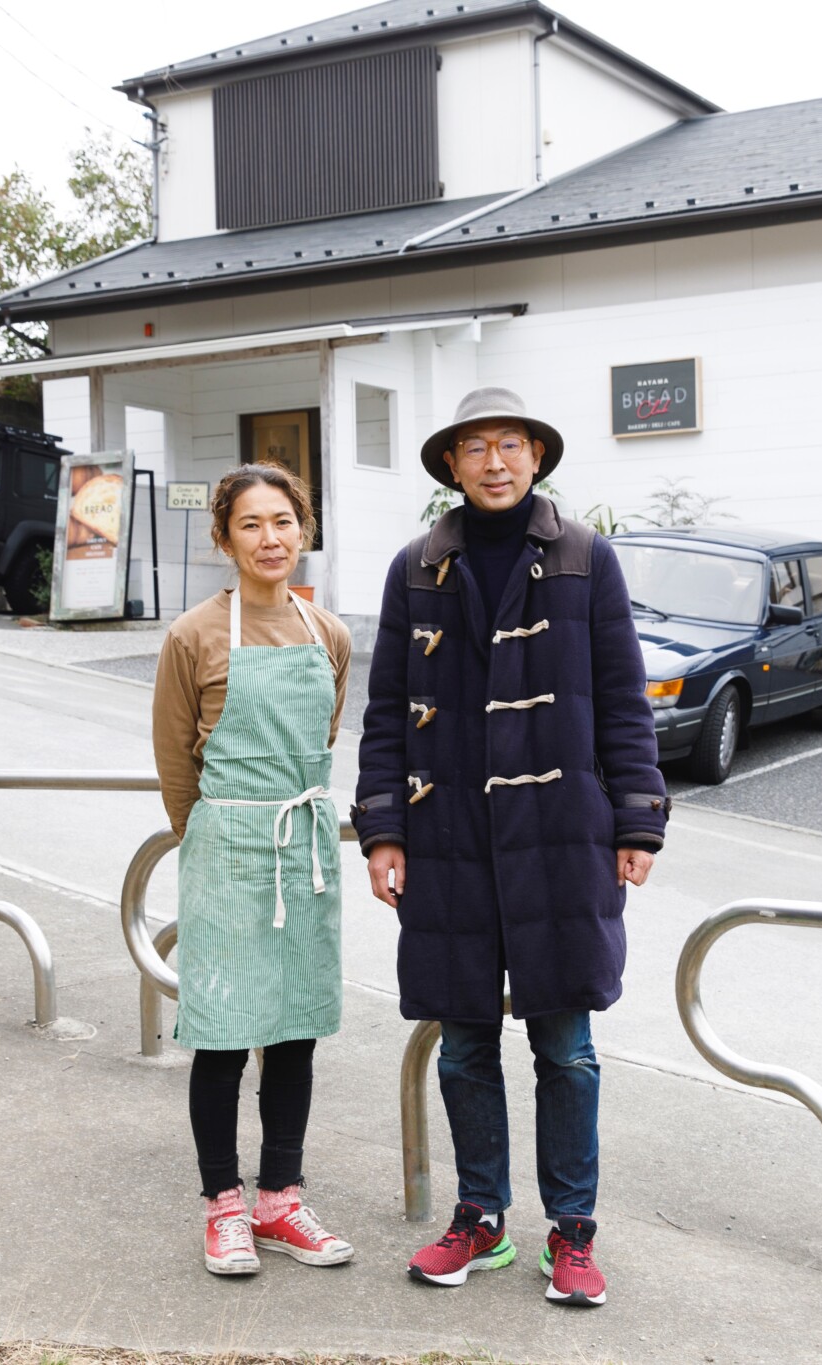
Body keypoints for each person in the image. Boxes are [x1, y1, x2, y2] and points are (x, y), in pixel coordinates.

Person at [354, 386, 669, 1307]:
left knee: (566, 1044)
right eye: (475, 447)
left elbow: (622, 697)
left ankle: (571, 1232)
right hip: (448, 834)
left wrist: (640, 817)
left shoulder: (583, 559)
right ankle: (480, 1217)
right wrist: (383, 828)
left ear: (537, 457)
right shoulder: (418, 566)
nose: (494, 461)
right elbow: (383, 716)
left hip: (562, 835)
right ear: (451, 464)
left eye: (511, 445)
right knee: (462, 1045)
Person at [152, 463, 356, 1277]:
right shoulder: (193, 634)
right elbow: (175, 763)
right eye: (251, 524)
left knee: (296, 1028)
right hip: (227, 846)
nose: (270, 538)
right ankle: (223, 1206)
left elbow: (326, 733)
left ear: (303, 529)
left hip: (302, 843)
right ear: (223, 538)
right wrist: (212, 841)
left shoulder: (328, 632)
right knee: (225, 1035)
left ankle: (280, 1198)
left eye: (283, 521)